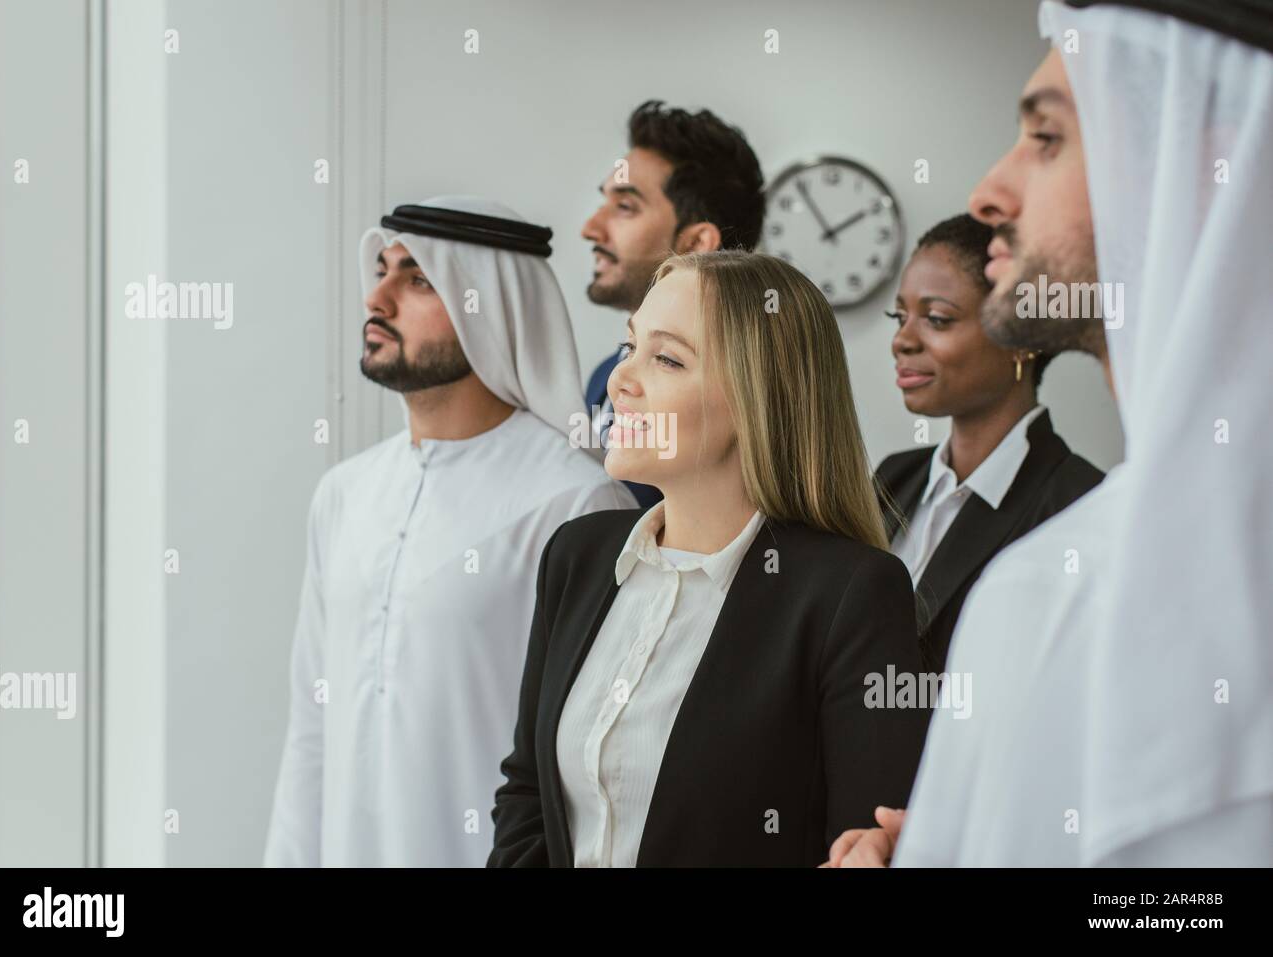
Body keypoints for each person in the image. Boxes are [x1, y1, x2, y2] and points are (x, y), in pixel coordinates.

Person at [829, 0, 1273, 867]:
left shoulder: (1060, 581)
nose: (989, 192)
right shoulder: (1048, 562)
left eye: (1047, 138)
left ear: (1205, 165)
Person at [489, 250, 929, 867]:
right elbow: (528, 795)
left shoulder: (851, 594)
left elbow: (864, 846)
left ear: (758, 398)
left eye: (667, 359)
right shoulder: (578, 555)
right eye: (630, 346)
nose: (620, 380)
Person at [264, 196, 636, 867]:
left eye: (418, 279)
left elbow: (599, 766)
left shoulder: (578, 503)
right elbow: (311, 730)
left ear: (489, 309)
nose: (376, 298)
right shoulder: (344, 494)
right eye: (381, 270)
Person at [876, 213, 1102, 673]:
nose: (902, 340)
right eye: (900, 317)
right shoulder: (893, 477)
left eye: (937, 319)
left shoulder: (1079, 504)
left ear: (1021, 339)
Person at [581, 100, 766, 509]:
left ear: (697, 242)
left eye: (625, 207)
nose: (590, 228)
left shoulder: (755, 389)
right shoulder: (603, 378)